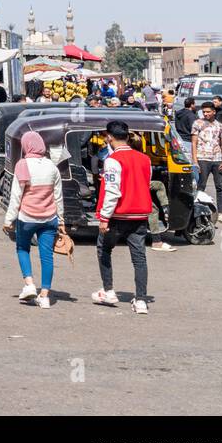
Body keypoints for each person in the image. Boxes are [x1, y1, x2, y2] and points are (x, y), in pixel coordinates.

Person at [92, 120, 152, 314]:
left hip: (118, 215)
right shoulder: (145, 159)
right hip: (140, 214)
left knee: (104, 250)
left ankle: (108, 290)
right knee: (139, 258)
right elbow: (146, 182)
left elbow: (112, 191)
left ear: (109, 137)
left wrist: (104, 217)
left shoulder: (112, 160)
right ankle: (141, 299)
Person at [2, 131, 65, 309]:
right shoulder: (52, 166)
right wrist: (61, 220)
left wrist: (8, 220)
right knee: (47, 257)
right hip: (49, 218)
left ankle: (29, 284)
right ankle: (44, 295)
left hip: (27, 217)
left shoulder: (22, 165)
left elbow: (16, 195)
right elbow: (58, 196)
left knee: (22, 248)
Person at [191, 102, 222, 226]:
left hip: (217, 158)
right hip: (202, 158)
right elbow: (193, 143)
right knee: (201, 186)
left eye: (208, 111)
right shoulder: (198, 123)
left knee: (219, 186)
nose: (206, 114)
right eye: (204, 112)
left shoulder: (219, 125)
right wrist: (195, 161)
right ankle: (197, 213)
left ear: (214, 111)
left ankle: (221, 214)